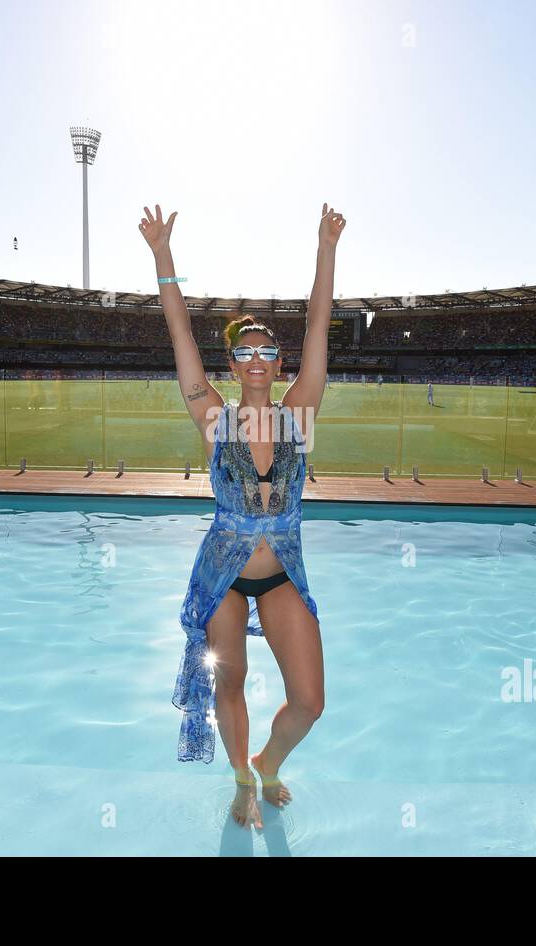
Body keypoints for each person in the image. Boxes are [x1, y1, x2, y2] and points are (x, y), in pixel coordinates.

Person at [140, 201, 345, 830]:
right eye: (244, 352)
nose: (257, 359)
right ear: (231, 366)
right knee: (231, 683)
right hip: (223, 572)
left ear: (279, 363)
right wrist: (163, 258)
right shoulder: (213, 418)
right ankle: (240, 782)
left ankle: (268, 761)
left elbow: (318, 326)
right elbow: (180, 337)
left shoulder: (299, 414)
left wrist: (325, 249)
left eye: (267, 351)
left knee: (308, 702)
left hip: (283, 571)